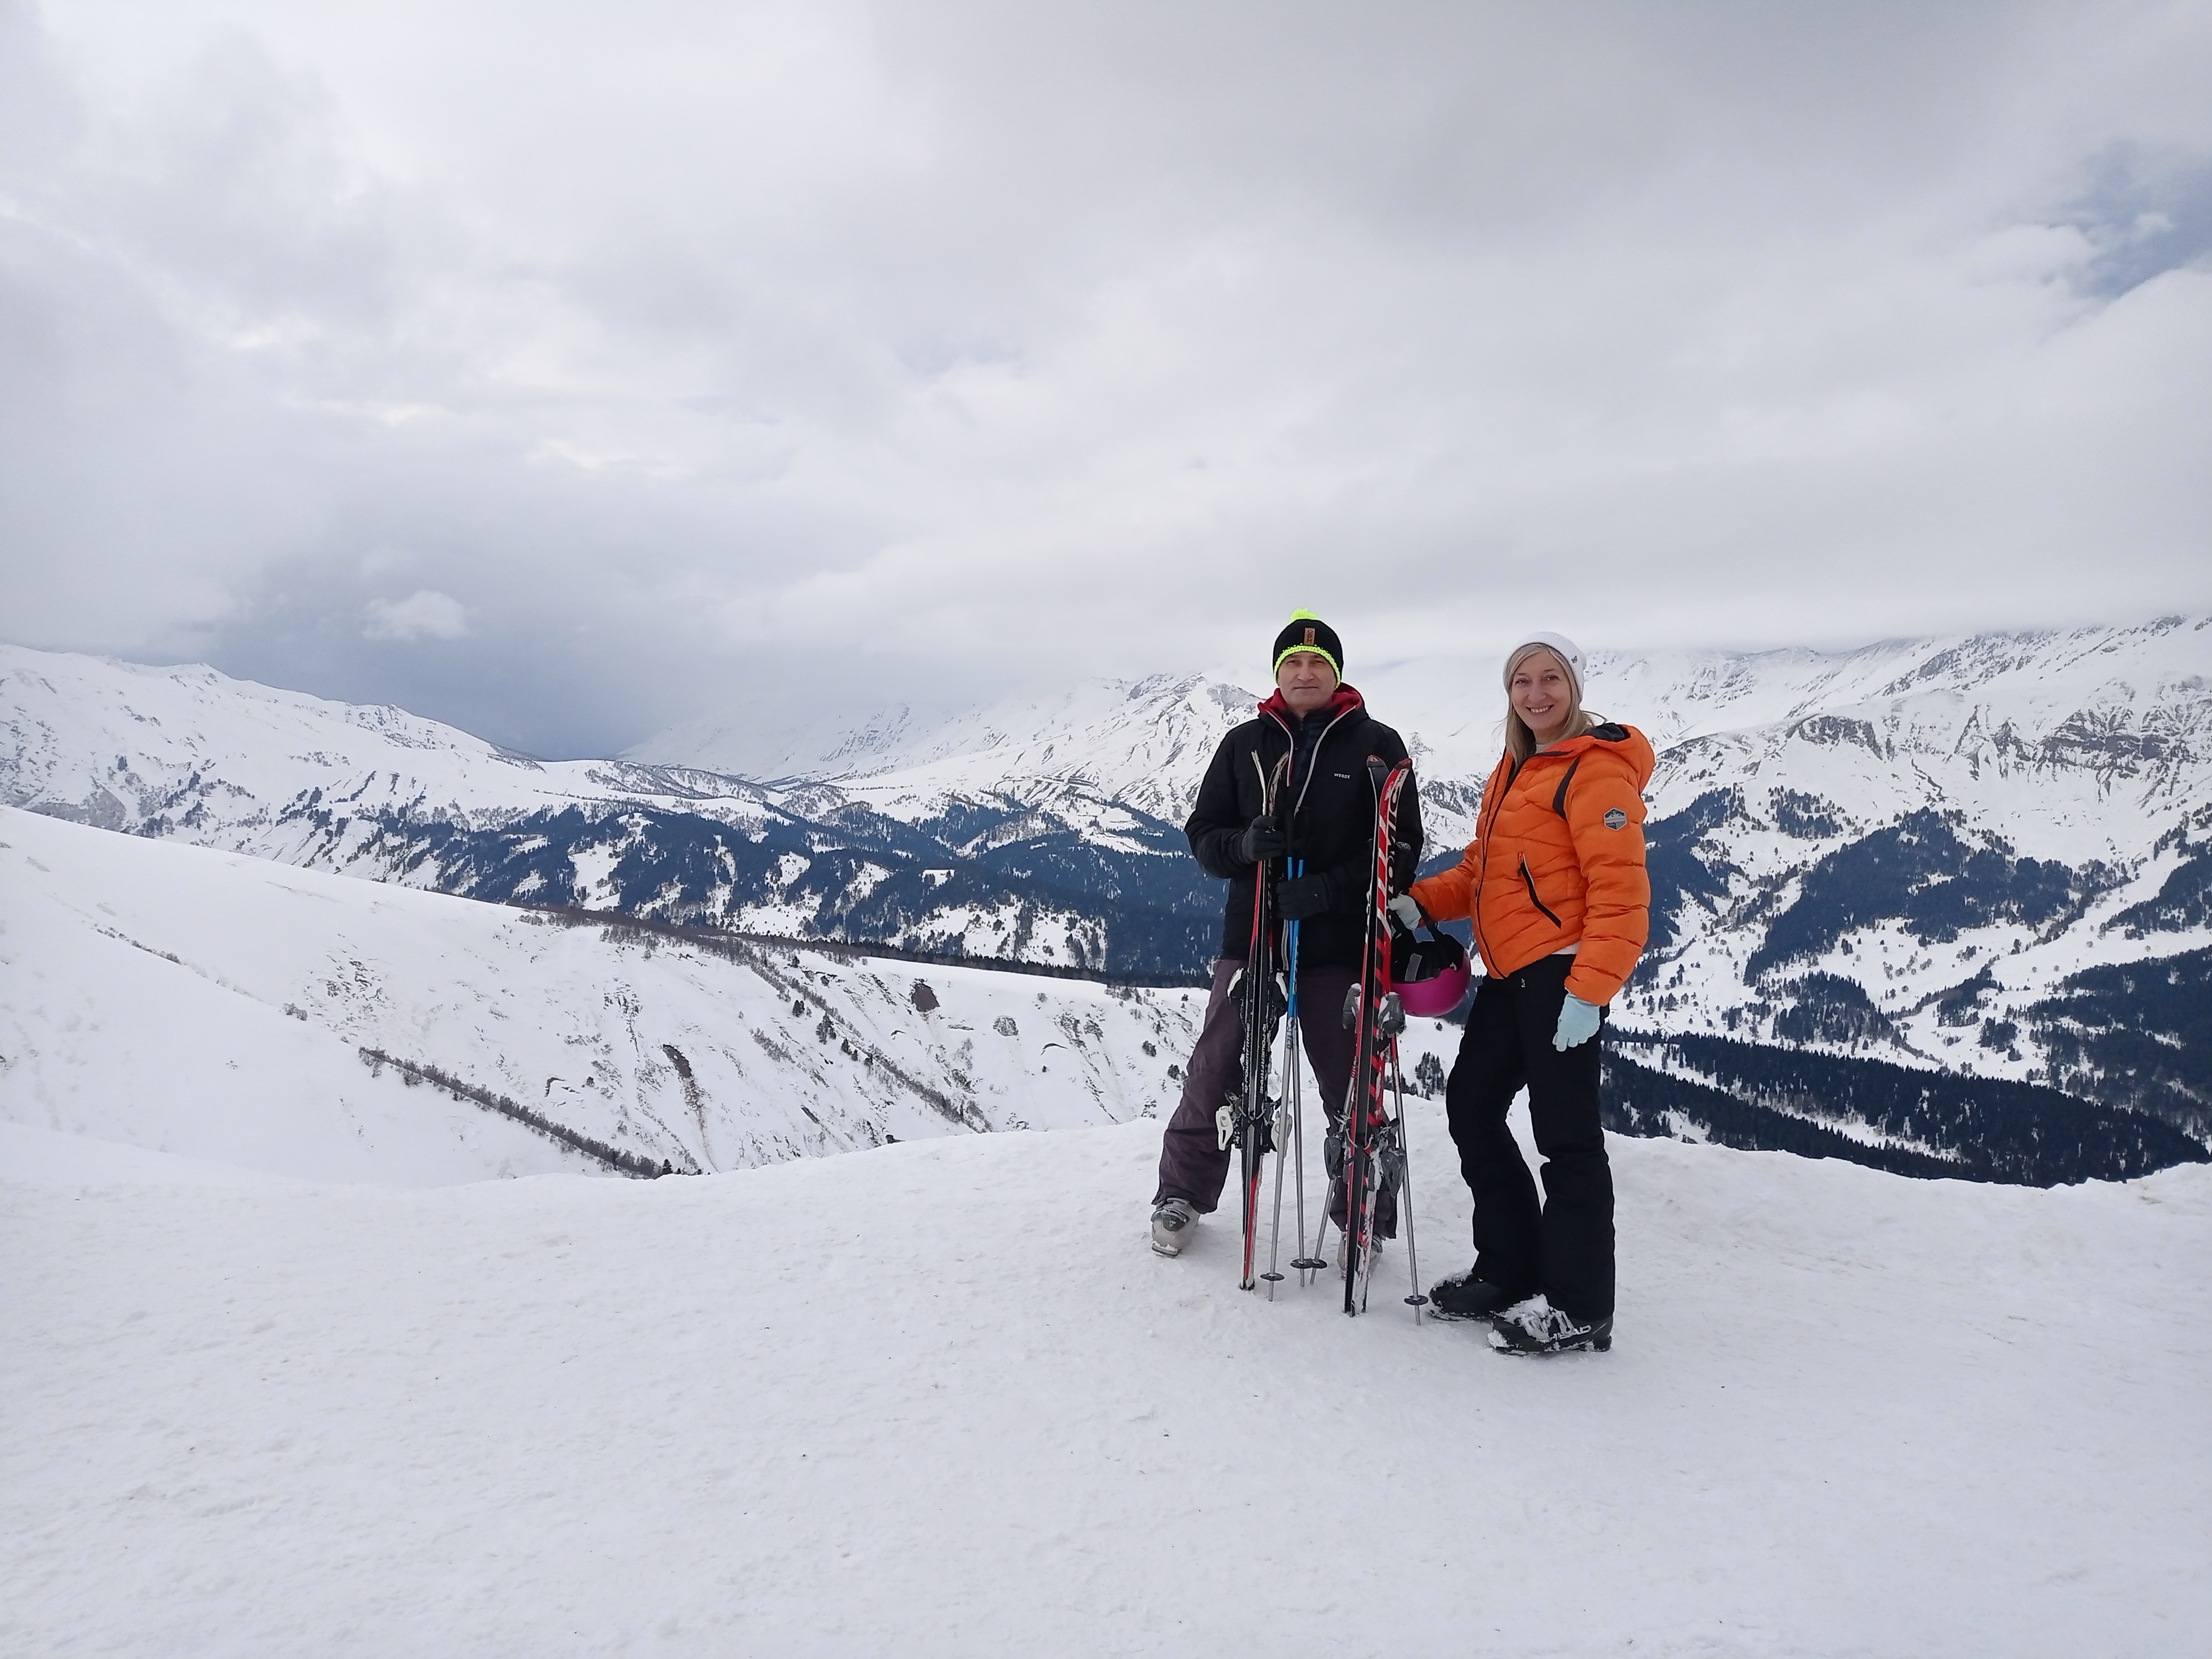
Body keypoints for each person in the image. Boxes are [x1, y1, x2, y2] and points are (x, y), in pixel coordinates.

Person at [1393, 632, 1652, 1354]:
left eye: (1551, 680)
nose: (1537, 694)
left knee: (1567, 1141)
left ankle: (1579, 1307)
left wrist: (1589, 992)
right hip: (1509, 977)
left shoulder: (1597, 771)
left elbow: (1623, 897)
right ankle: (1509, 1269)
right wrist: (1420, 901)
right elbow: (1485, 872)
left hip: (1564, 976)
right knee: (1471, 1107)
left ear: (1574, 686)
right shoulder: (1516, 767)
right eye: (1521, 683)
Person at [1151, 611, 1423, 1259]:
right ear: (1277, 674)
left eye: (1318, 664)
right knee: (1214, 1071)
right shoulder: (1245, 743)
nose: (1305, 673)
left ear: (1337, 674)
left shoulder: (1377, 745)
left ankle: (1363, 1208)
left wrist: (1331, 888)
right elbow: (1203, 838)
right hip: (1252, 939)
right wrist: (1243, 845)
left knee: (1351, 1083)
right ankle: (1181, 1193)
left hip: (1338, 943)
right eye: (1292, 665)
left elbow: (1403, 846)